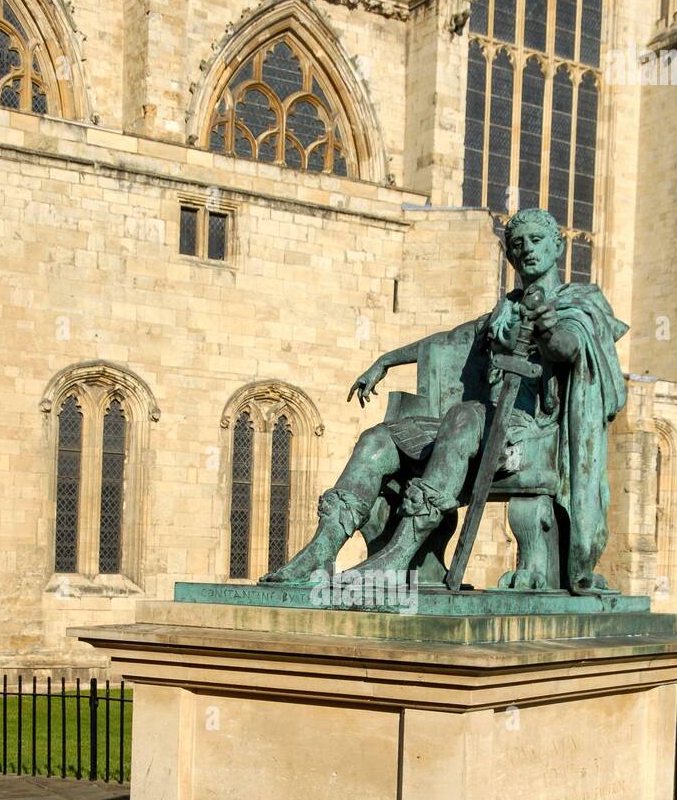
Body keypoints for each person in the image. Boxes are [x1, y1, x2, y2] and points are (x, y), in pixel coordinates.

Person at [261, 208, 628, 593]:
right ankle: (321, 550)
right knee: (378, 439)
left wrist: (547, 327)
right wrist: (385, 360)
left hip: (530, 434)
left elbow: (569, 349)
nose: (527, 250)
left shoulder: (578, 303)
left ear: (557, 246)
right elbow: (449, 339)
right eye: (518, 245)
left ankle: (400, 554)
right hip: (479, 425)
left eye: (537, 240)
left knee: (464, 415)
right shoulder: (503, 312)